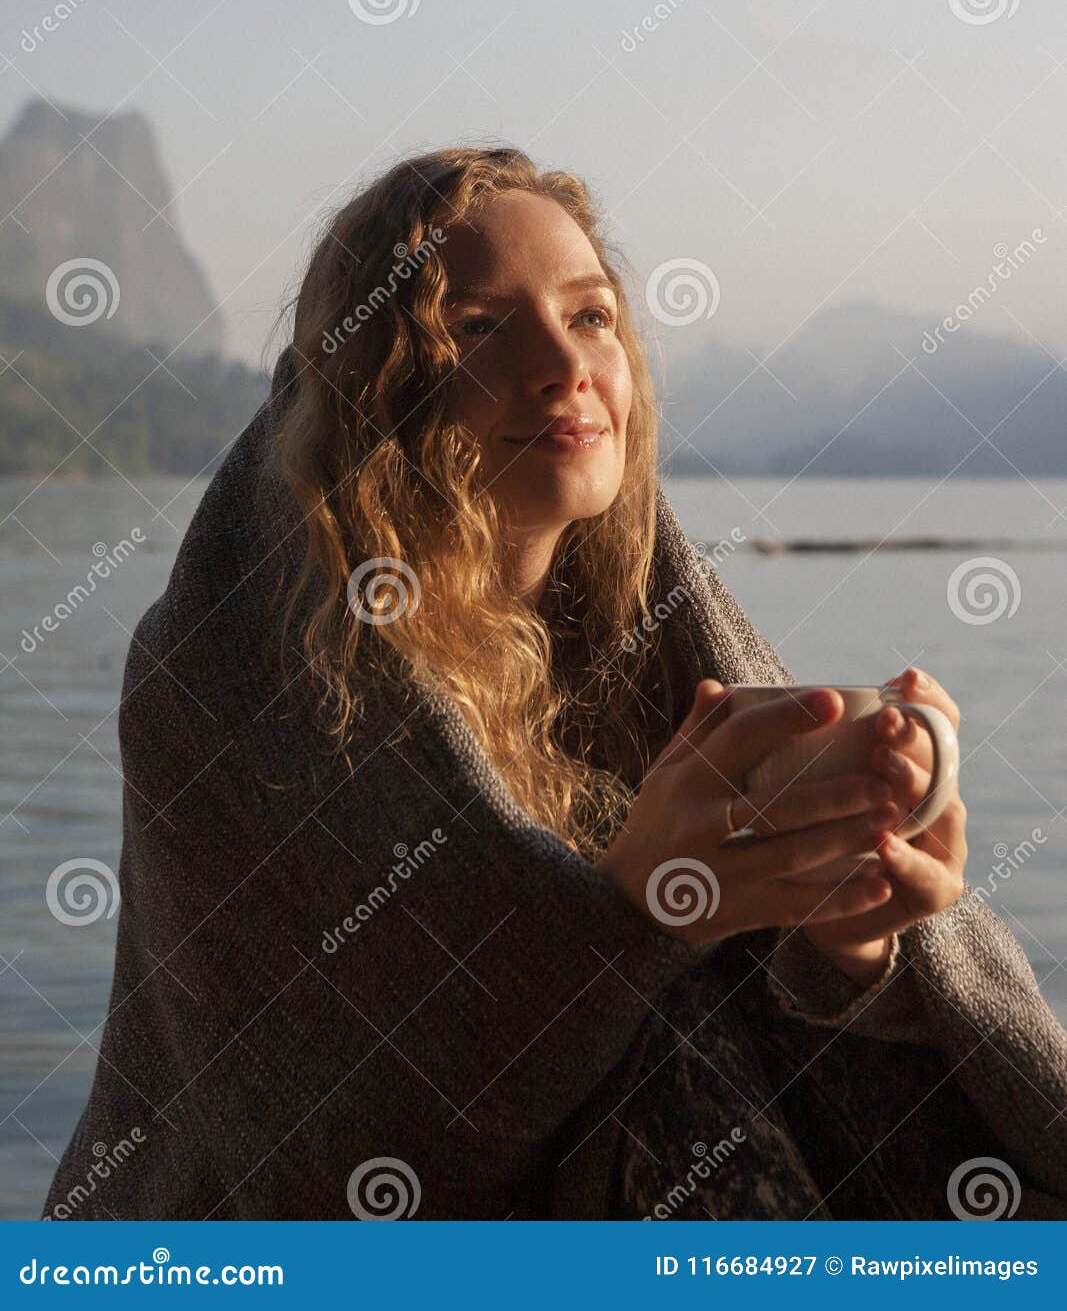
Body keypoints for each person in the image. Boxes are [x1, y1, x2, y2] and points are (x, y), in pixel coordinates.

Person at [43, 147, 1067, 1221]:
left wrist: (852, 928)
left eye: (589, 316)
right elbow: (326, 1137)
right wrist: (629, 912)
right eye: (480, 326)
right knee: (671, 1026)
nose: (564, 365)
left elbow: (800, 1020)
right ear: (373, 385)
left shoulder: (658, 634)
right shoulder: (226, 687)